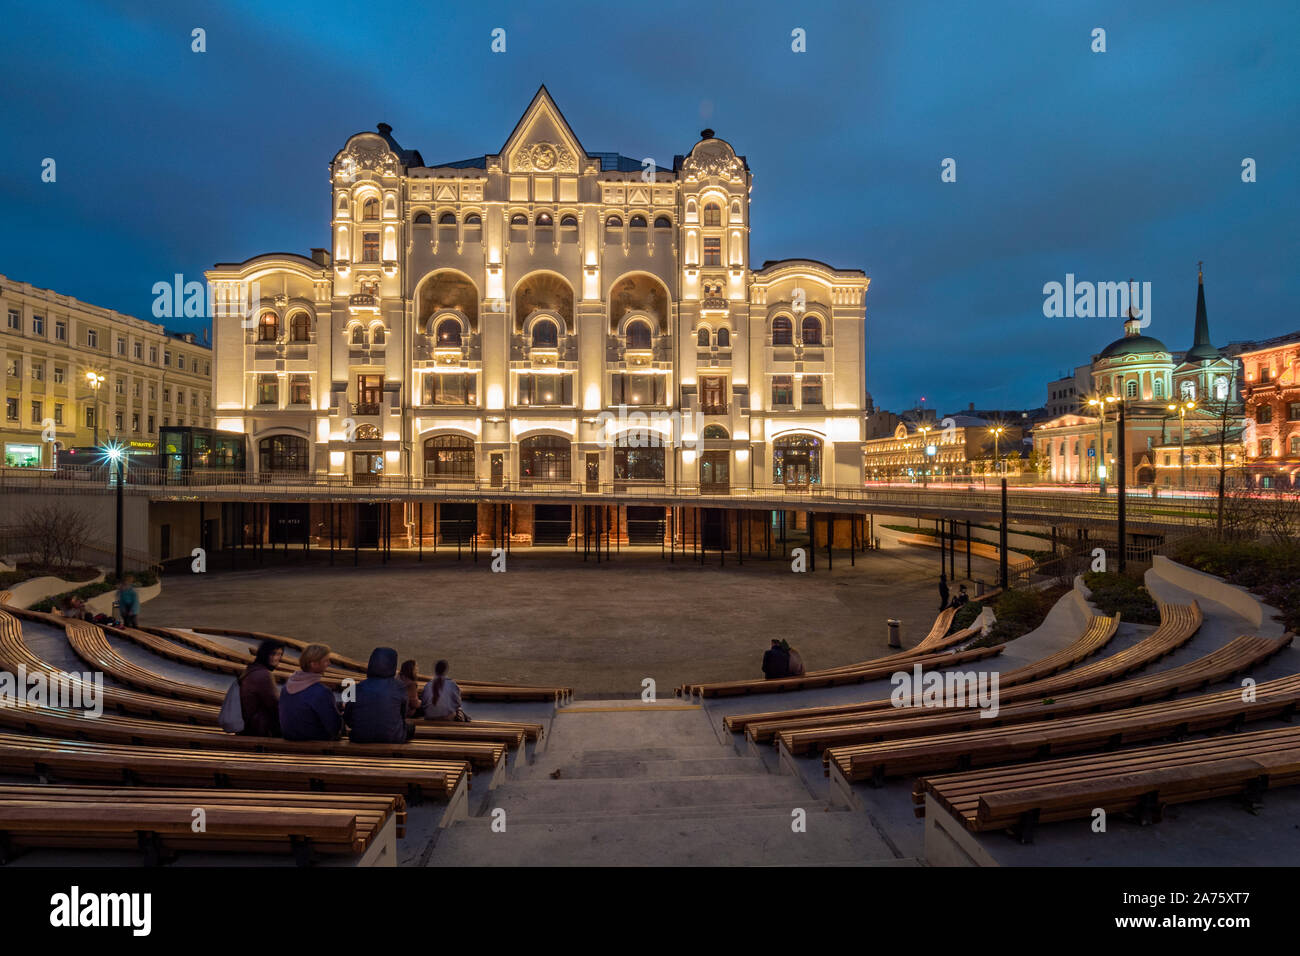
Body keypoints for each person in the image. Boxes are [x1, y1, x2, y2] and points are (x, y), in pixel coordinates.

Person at [346, 647, 415, 743]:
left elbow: (348, 718)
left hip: (360, 737)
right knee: (410, 727)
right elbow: (403, 714)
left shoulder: (356, 688)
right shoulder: (400, 687)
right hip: (392, 738)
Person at [280, 643, 342, 741]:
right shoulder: (321, 691)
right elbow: (335, 726)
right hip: (315, 744)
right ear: (314, 664)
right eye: (326, 660)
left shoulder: (286, 688)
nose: (329, 663)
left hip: (289, 739)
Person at [238, 639, 284, 737]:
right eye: (273, 654)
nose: (277, 658)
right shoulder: (264, 675)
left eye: (280, 654)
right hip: (258, 728)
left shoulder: (251, 669)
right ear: (264, 654)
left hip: (248, 724)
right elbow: (275, 705)